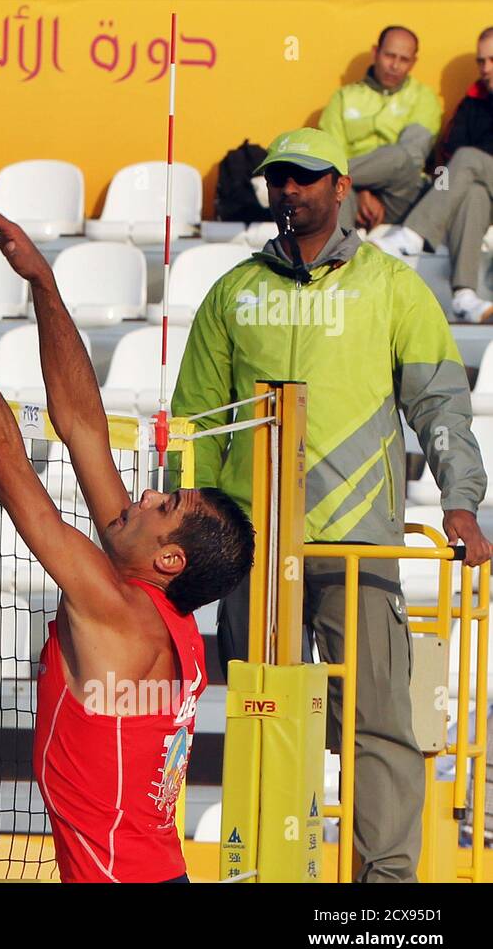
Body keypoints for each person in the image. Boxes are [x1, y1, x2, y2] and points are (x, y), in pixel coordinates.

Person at [0, 210, 254, 883]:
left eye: (166, 506)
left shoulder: (120, 613)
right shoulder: (165, 620)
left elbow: (1, 456)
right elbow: (83, 427)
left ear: (170, 559)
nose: (148, 496)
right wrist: (42, 283)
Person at [172, 126, 493, 882]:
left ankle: (384, 892)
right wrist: (200, 539)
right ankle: (267, 868)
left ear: (341, 188)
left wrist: (461, 499)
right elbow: (198, 423)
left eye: (307, 178)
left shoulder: (390, 287)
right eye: (280, 179)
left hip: (359, 552)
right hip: (255, 551)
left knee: (376, 727)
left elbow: (441, 406)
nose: (291, 191)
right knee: (263, 719)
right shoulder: (235, 291)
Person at [376, 27, 493, 322]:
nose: (485, 69)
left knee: (468, 159)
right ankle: (464, 296)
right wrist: (445, 191)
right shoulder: (473, 102)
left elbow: (463, 158)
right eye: (481, 61)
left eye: (492, 60)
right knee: (473, 194)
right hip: (485, 193)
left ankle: (412, 235)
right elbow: (445, 160)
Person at [319, 25, 441, 232]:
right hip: (351, 192)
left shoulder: (423, 97)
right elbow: (331, 156)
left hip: (400, 195)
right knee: (336, 195)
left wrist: (351, 180)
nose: (395, 65)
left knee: (399, 156)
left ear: (413, 63)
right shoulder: (344, 98)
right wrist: (360, 190)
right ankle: (341, 262)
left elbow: (413, 156)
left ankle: (314, 180)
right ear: (375, 53)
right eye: (389, 55)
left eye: (404, 60)